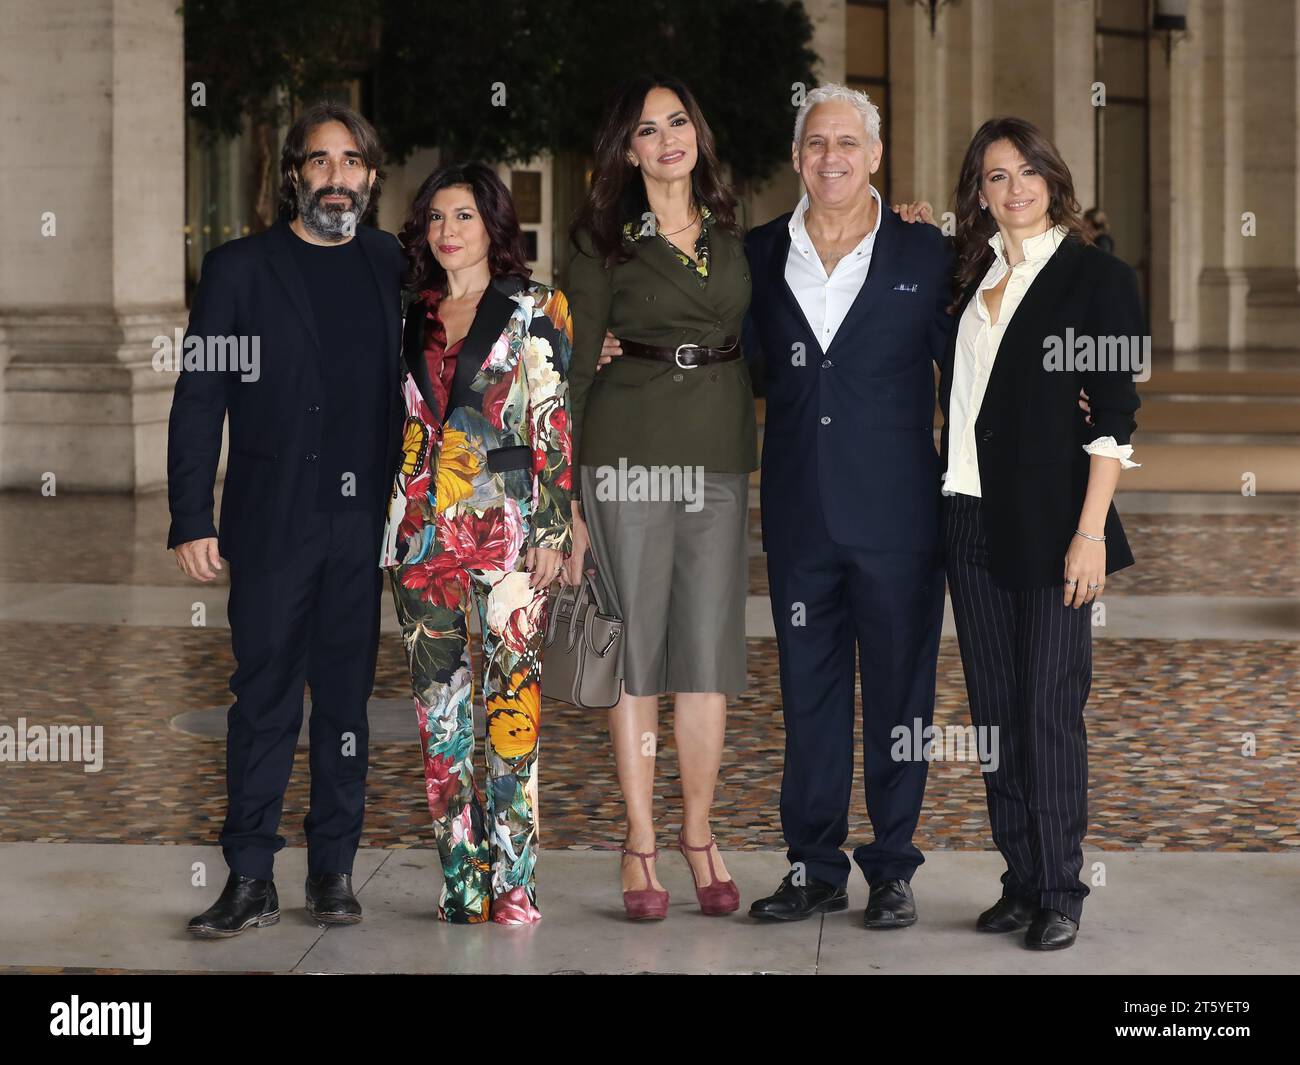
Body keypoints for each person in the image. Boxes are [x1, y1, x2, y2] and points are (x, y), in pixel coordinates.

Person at [170, 103, 405, 937]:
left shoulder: (389, 262)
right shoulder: (237, 269)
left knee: (346, 703)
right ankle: (248, 876)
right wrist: (190, 515)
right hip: (273, 522)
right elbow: (199, 395)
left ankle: (334, 869)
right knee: (263, 699)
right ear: (293, 176)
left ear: (371, 179)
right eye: (319, 161)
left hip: (361, 526)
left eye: (351, 162)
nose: (335, 177)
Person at [741, 84, 953, 928]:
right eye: (816, 143)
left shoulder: (925, 253)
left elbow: (976, 363)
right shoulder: (758, 254)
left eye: (848, 144)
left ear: (875, 157)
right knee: (809, 697)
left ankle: (893, 869)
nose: (832, 157)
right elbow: (724, 354)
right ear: (798, 159)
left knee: (902, 700)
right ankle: (814, 864)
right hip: (799, 521)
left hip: (901, 520)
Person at [939, 117, 1141, 950]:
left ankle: (1061, 885)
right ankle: (1019, 876)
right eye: (995, 176)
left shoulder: (1098, 278)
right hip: (964, 512)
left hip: (1055, 523)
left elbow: (1115, 418)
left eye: (1027, 171)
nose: (1013, 187)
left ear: (1054, 180)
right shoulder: (967, 276)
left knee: (1048, 707)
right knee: (995, 710)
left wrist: (1090, 532)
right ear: (979, 194)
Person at [563, 75, 756, 920]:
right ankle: (640, 843)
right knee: (638, 651)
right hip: (625, 450)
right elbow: (569, 366)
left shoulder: (734, 226)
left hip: (717, 451)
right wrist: (564, 494)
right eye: (649, 128)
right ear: (627, 149)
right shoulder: (602, 236)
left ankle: (700, 831)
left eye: (680, 121)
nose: (669, 138)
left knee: (707, 657)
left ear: (697, 135)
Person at [382, 162, 573, 925]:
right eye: (434, 218)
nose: (446, 231)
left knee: (511, 711)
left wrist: (556, 529)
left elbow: (552, 420)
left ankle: (517, 883)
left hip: (508, 532)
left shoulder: (536, 306)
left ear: (494, 224)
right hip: (419, 534)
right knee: (441, 715)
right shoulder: (409, 310)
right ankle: (462, 880)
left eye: (462, 215)